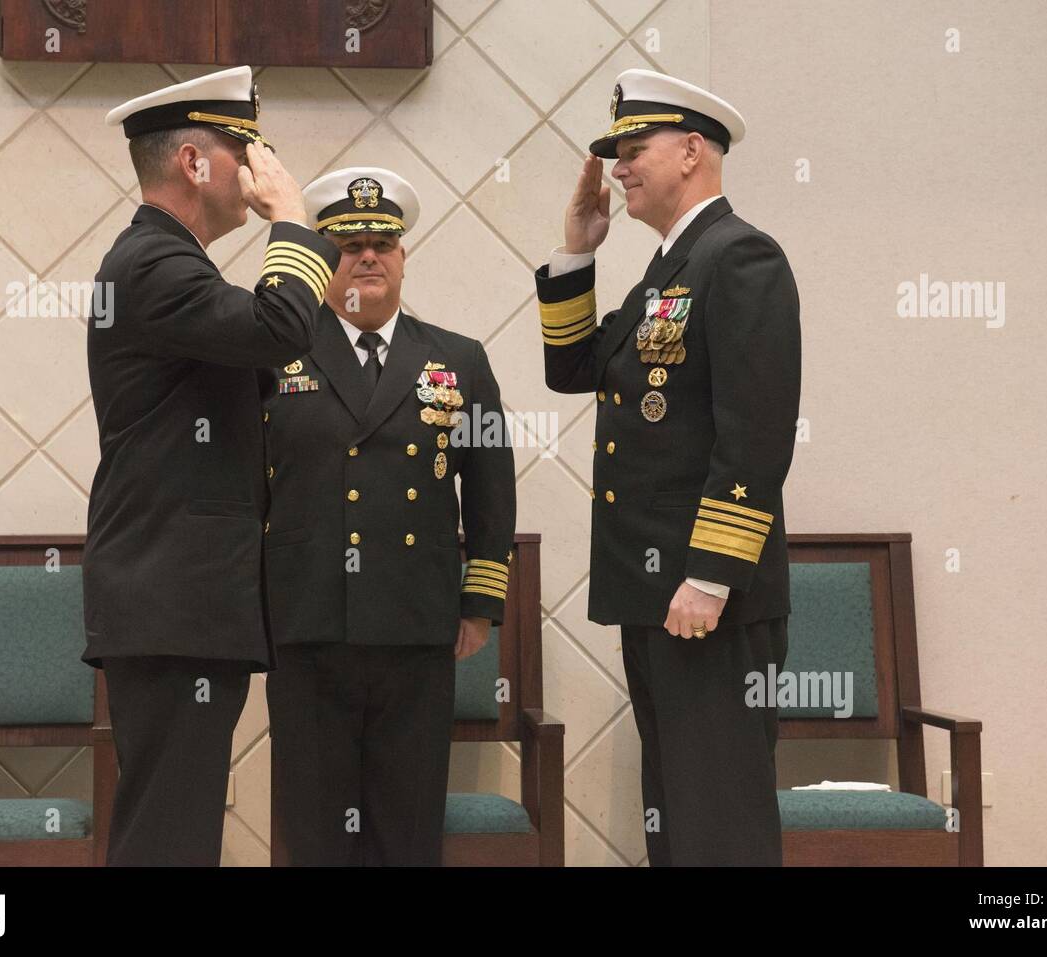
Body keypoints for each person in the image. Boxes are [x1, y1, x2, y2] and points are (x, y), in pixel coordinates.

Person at [534, 68, 801, 865]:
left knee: (720, 821)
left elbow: (754, 434)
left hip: (705, 596)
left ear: (692, 151)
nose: (617, 167)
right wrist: (577, 253)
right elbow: (575, 367)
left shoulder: (740, 256)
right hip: (658, 592)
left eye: (632, 147)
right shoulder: (668, 270)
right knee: (677, 820)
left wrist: (712, 573)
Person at [82, 66, 340, 865]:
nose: (259, 170)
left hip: (182, 602)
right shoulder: (154, 267)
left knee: (177, 831)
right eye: (246, 149)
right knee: (168, 836)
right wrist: (292, 219)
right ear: (195, 162)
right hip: (173, 602)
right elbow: (279, 326)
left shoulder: (166, 265)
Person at [260, 166, 516, 865]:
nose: (367, 255)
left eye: (383, 241)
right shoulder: (276, 352)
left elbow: (491, 491)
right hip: (307, 626)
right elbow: (245, 488)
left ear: (403, 254)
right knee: (315, 831)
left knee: (406, 829)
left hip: (416, 628)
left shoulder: (458, 361)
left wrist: (480, 604)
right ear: (322, 257)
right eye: (347, 243)